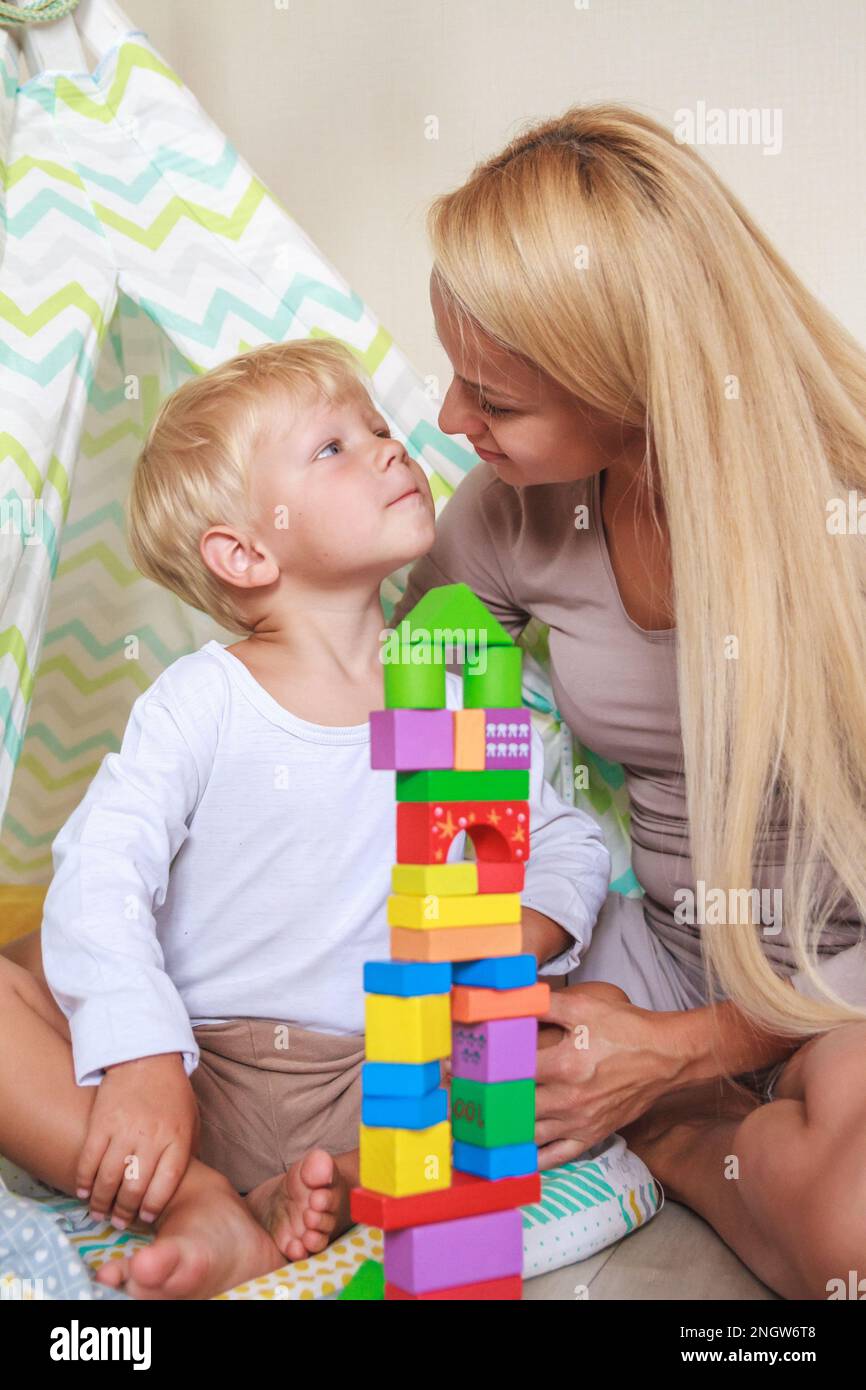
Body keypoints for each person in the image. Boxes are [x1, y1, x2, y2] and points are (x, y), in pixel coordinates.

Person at [0, 337, 611, 1300]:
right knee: (22, 978)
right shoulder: (201, 702)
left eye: (378, 426)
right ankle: (200, 1196)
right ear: (245, 551)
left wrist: (523, 925)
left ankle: (318, 1190)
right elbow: (103, 865)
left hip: (384, 1082)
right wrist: (144, 1055)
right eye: (334, 447)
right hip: (199, 1074)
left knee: (564, 1048)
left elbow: (570, 835)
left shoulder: (451, 700)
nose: (389, 447)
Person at [390, 102, 866, 1300]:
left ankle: (664, 1130)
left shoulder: (837, 521)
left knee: (850, 1235)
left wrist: (674, 1062)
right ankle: (664, 1108)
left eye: (491, 399)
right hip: (643, 948)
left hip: (832, 982)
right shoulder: (510, 512)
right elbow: (415, 684)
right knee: (389, 1052)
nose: (451, 422)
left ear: (632, 384)